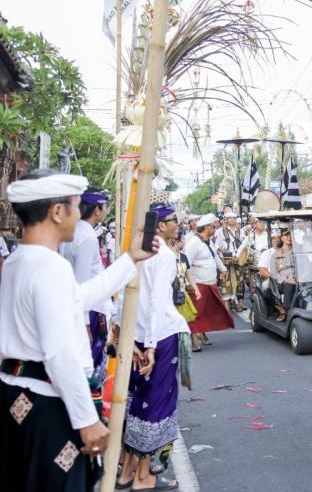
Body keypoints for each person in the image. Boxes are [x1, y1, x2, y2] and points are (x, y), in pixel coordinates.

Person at [0, 170, 156, 492]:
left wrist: (130, 258)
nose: (78, 215)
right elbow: (60, 354)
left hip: (17, 395)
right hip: (47, 404)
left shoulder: (19, 261)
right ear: (57, 212)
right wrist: (87, 420)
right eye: (74, 205)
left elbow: (80, 297)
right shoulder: (51, 267)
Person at [117, 203, 189, 491]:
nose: (177, 224)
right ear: (159, 225)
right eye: (173, 220)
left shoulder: (135, 249)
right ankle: (143, 476)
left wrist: (124, 333)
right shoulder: (164, 254)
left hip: (137, 335)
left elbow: (124, 295)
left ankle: (127, 469)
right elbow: (157, 302)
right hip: (158, 337)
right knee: (155, 403)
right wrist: (150, 346)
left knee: (136, 401)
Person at [58, 188, 113, 385]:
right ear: (97, 209)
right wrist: (84, 324)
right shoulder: (87, 238)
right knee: (92, 364)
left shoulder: (73, 232)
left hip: (78, 306)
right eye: (105, 206)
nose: (106, 210)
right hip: (90, 309)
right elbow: (81, 282)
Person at [184, 213, 234, 351]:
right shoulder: (194, 243)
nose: (215, 229)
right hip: (198, 284)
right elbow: (186, 264)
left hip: (209, 283)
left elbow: (215, 257)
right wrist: (188, 284)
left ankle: (201, 332)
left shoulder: (208, 242)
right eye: (213, 226)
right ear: (207, 227)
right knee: (195, 313)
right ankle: (193, 341)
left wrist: (223, 269)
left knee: (207, 312)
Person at [258, 229, 296, 322]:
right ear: (282, 238)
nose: (289, 238)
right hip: (282, 282)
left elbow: (305, 268)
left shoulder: (298, 252)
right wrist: (286, 279)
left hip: (299, 279)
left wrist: (298, 279)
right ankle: (287, 311)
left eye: (290, 235)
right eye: (286, 235)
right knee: (287, 287)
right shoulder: (275, 254)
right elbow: (274, 273)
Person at [214, 211, 244, 312]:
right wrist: (220, 248)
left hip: (238, 259)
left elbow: (244, 244)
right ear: (226, 220)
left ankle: (238, 302)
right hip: (225, 259)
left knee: (240, 281)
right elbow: (215, 245)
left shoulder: (241, 231)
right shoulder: (219, 231)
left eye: (234, 218)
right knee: (226, 281)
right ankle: (226, 305)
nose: (232, 220)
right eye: (230, 218)